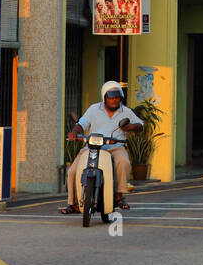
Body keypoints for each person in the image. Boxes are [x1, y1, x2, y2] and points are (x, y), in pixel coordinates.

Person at [61, 81, 142, 215]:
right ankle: (73, 203)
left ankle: (120, 195)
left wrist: (130, 127)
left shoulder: (126, 111)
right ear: (105, 97)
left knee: (124, 162)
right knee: (72, 171)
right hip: (92, 147)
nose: (114, 100)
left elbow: (140, 125)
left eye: (116, 97)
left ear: (120, 98)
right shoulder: (94, 109)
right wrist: (75, 132)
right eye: (110, 97)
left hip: (115, 147)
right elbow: (82, 123)